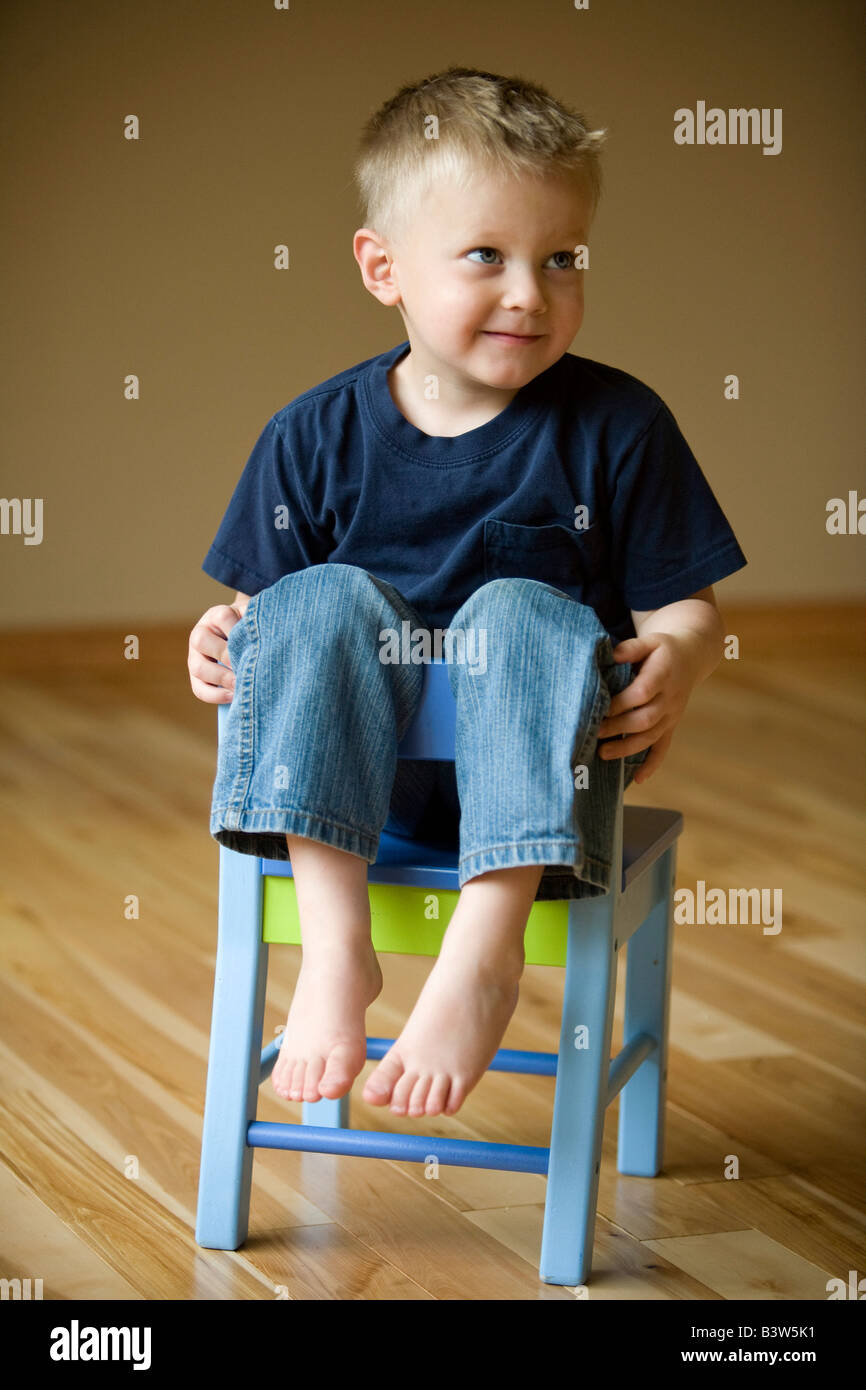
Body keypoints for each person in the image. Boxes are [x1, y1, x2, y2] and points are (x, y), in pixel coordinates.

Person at [187, 67, 747, 1122]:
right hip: (358, 807)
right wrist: (217, 640)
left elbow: (686, 607)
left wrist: (680, 655)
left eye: (561, 258)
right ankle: (336, 952)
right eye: (485, 255)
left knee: (522, 611)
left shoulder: (619, 429)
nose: (530, 290)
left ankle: (482, 955)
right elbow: (256, 625)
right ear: (382, 267)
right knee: (314, 600)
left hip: (544, 801)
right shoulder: (310, 437)